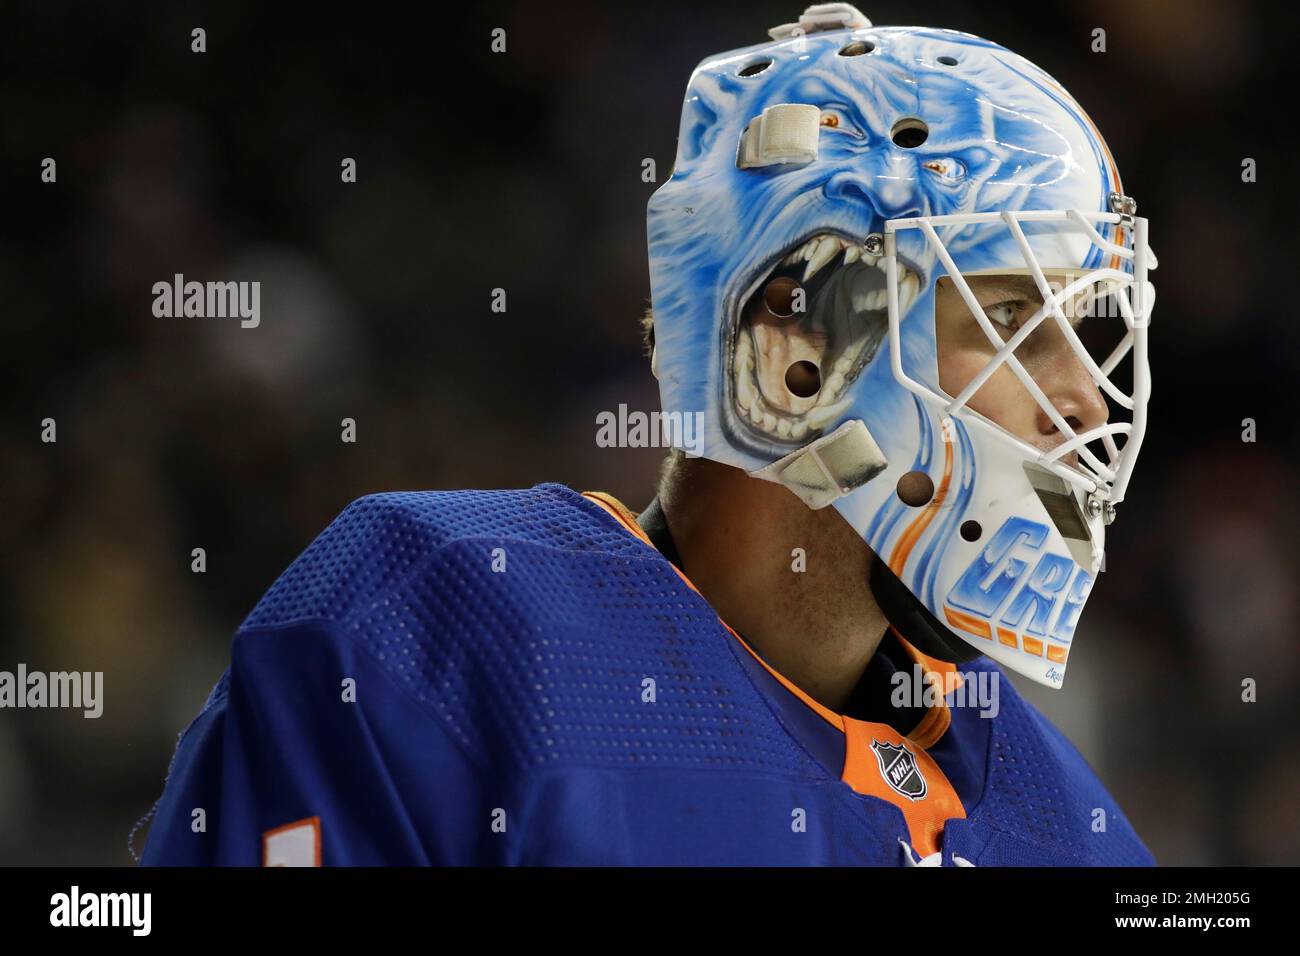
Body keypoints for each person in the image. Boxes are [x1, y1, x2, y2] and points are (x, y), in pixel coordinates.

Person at [140, 3, 1157, 866]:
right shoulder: (446, 631)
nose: (1082, 401)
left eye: (1094, 333)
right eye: (1014, 317)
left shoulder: (1062, 821)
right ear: (796, 341)